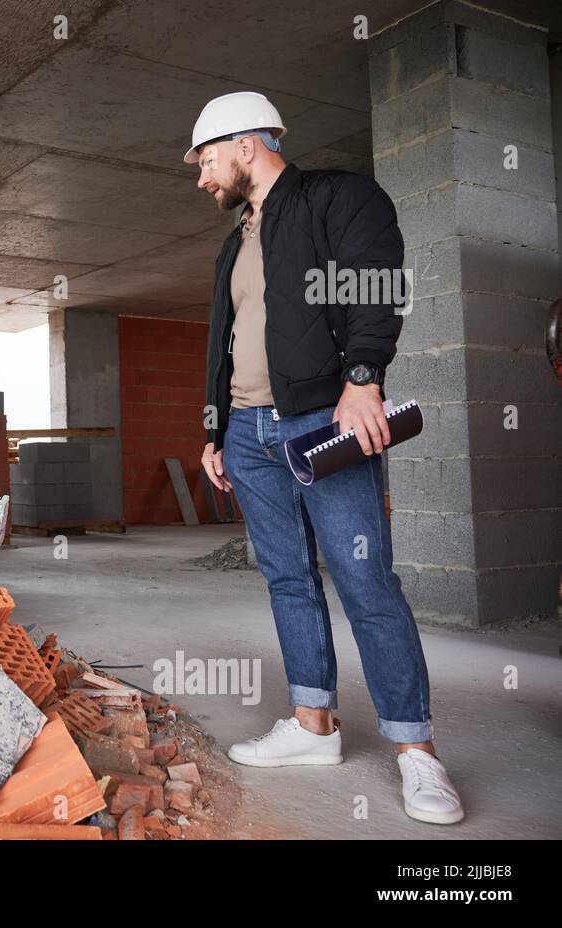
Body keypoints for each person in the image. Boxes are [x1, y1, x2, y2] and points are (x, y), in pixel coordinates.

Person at [189, 92, 464, 824]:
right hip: (249, 434)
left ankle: (417, 751)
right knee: (287, 579)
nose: (201, 178)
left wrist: (365, 377)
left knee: (365, 580)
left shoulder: (337, 198)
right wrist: (215, 430)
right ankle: (314, 725)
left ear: (246, 145)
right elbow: (226, 339)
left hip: (322, 420)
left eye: (206, 160)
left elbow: (377, 280)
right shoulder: (234, 243)